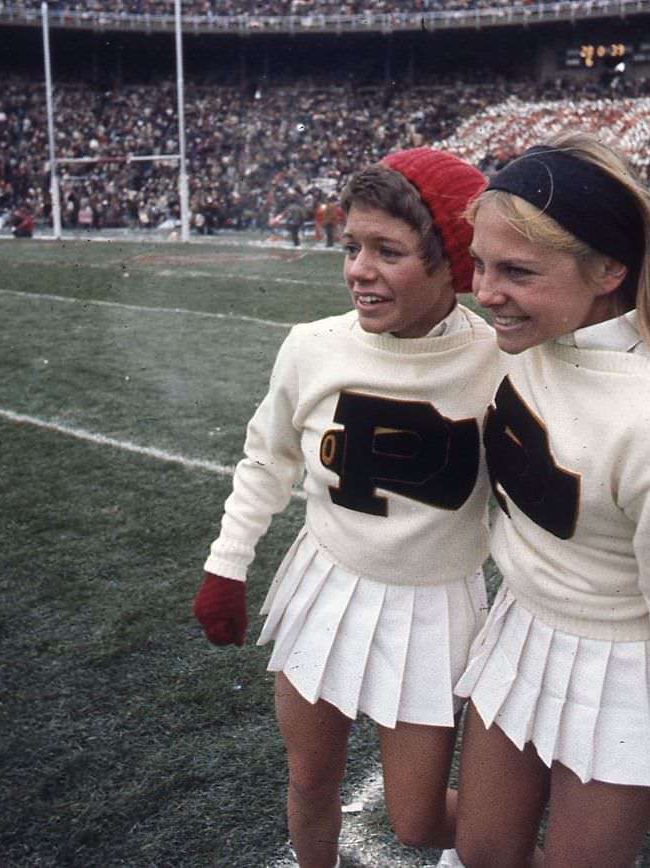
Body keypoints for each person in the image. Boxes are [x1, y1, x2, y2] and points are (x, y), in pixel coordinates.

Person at [452, 134, 650, 868]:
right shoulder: (528, 340)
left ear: (610, 269)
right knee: (483, 852)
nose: (484, 291)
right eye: (481, 263)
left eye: (516, 271)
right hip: (521, 632)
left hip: (622, 667)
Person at [193, 149, 497, 868]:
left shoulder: (503, 358)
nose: (358, 269)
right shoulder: (312, 347)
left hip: (432, 607)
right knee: (310, 779)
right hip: (324, 587)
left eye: (387, 251)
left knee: (419, 821)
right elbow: (267, 458)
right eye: (351, 246)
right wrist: (226, 565)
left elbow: (591, 430)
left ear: (452, 261)